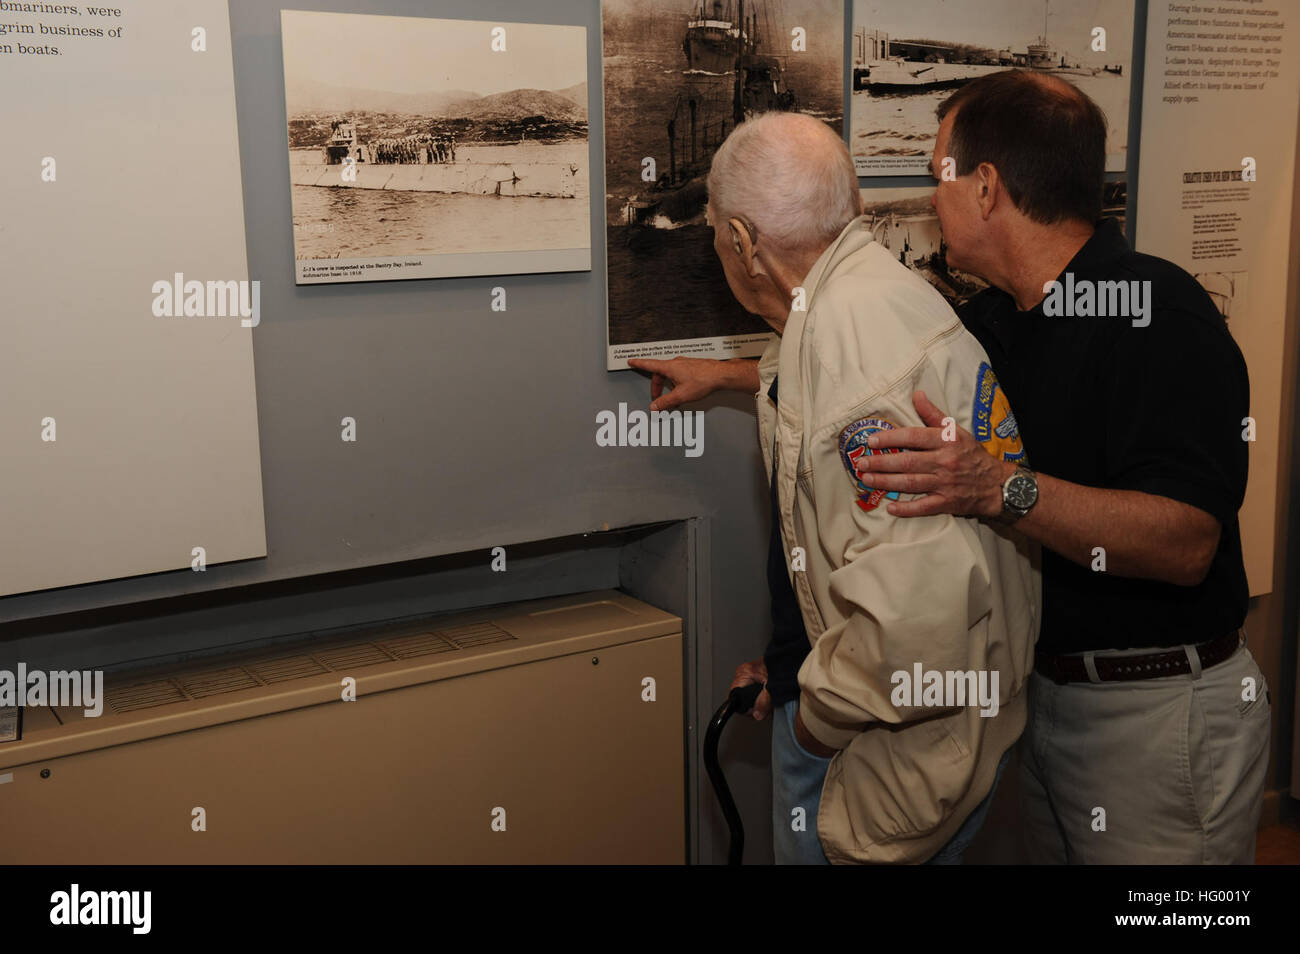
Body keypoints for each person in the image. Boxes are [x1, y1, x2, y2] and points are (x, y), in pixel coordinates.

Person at [844, 70, 1271, 864]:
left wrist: (997, 488)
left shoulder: (1159, 313)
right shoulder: (1003, 316)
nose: (928, 197)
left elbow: (1185, 543)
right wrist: (730, 375)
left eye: (937, 173)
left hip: (1157, 712)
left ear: (984, 187)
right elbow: (874, 369)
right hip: (1045, 703)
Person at [635, 111, 1041, 864]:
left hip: (875, 754)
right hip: (947, 735)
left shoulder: (854, 369)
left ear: (742, 243)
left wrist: (811, 719)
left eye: (721, 235)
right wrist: (795, 666)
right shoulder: (876, 296)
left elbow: (911, 627)